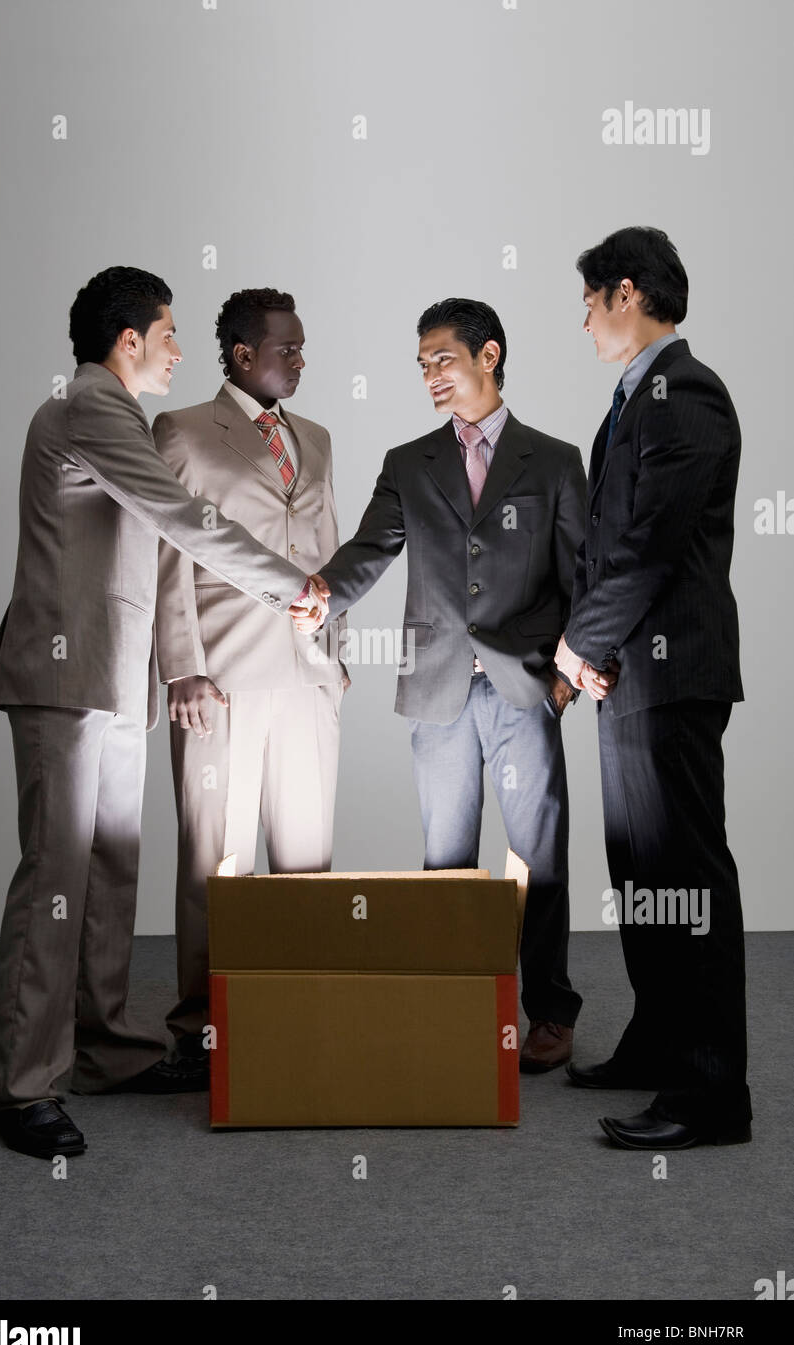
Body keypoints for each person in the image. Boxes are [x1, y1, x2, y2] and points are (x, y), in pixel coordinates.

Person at [0, 266, 327, 1159]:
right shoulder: (93, 406)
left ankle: (103, 1049)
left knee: (111, 872)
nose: (178, 349)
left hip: (110, 678)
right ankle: (23, 1087)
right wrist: (295, 587)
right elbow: (182, 517)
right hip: (64, 677)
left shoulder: (115, 412)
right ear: (126, 340)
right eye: (168, 334)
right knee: (58, 879)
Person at [300, 298, 588, 1073]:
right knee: (447, 862)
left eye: (441, 359)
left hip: (524, 689)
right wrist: (325, 592)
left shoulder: (553, 460)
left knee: (539, 859)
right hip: (435, 692)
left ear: (487, 355)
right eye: (420, 363)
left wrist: (561, 682)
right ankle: (461, 1003)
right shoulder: (408, 462)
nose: (428, 374)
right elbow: (369, 548)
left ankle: (550, 1013)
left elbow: (579, 574)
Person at [556, 226, 751, 1149]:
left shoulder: (684, 392)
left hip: (670, 670)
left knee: (684, 881)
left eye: (589, 302)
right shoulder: (640, 396)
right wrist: (594, 651)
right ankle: (657, 1040)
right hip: (631, 670)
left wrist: (575, 644)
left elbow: (649, 544)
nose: (584, 320)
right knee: (639, 873)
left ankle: (709, 1095)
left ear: (625, 293)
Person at [153, 288, 348, 1070]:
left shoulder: (319, 439)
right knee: (217, 862)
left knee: (306, 858)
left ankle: (300, 1008)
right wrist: (183, 668)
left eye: (302, 349)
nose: (299, 361)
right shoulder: (185, 432)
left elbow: (329, 556)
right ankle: (201, 1026)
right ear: (241, 353)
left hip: (306, 680)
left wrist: (334, 656)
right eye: (285, 349)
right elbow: (167, 552)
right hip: (220, 679)